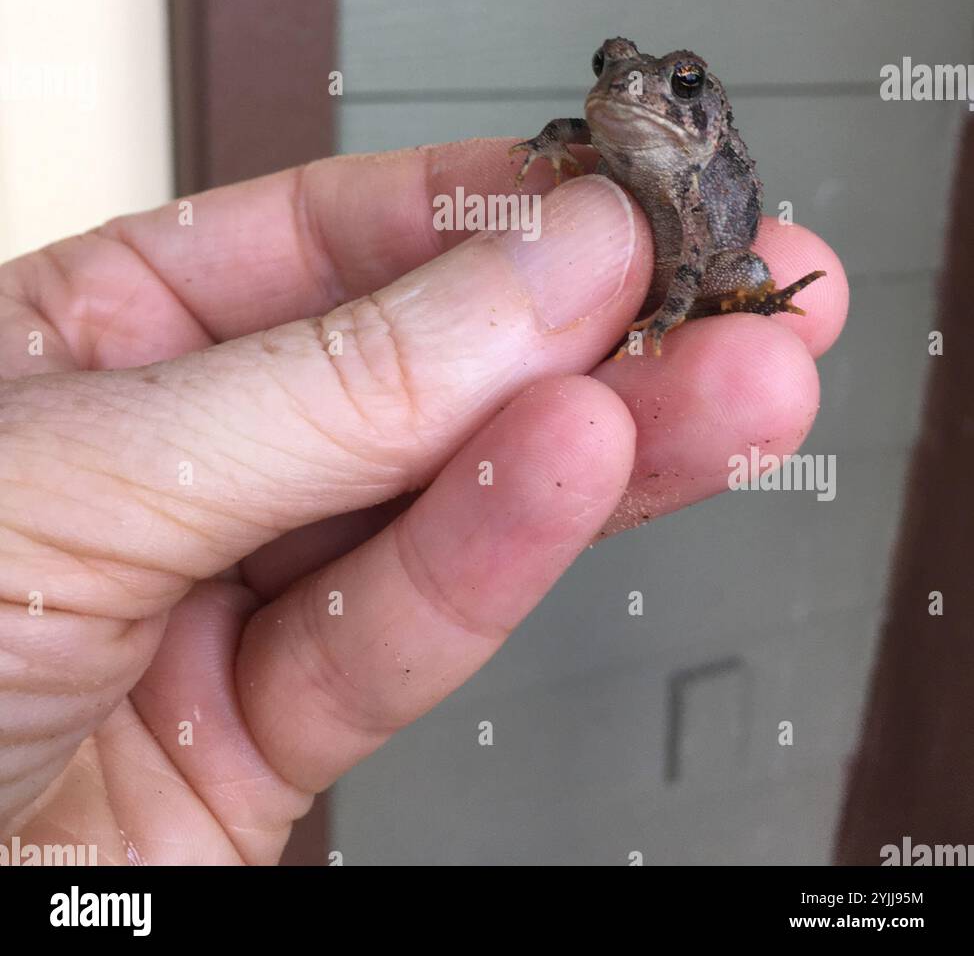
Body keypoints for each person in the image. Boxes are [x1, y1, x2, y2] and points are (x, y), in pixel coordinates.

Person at [0, 138, 846, 864]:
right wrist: (549, 154)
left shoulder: (698, 171)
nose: (630, 90)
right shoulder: (613, 140)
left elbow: (694, 259)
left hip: (699, 271)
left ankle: (743, 309)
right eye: (609, 66)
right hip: (178, 731)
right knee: (561, 444)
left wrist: (665, 321)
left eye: (676, 84)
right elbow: (570, 138)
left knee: (721, 315)